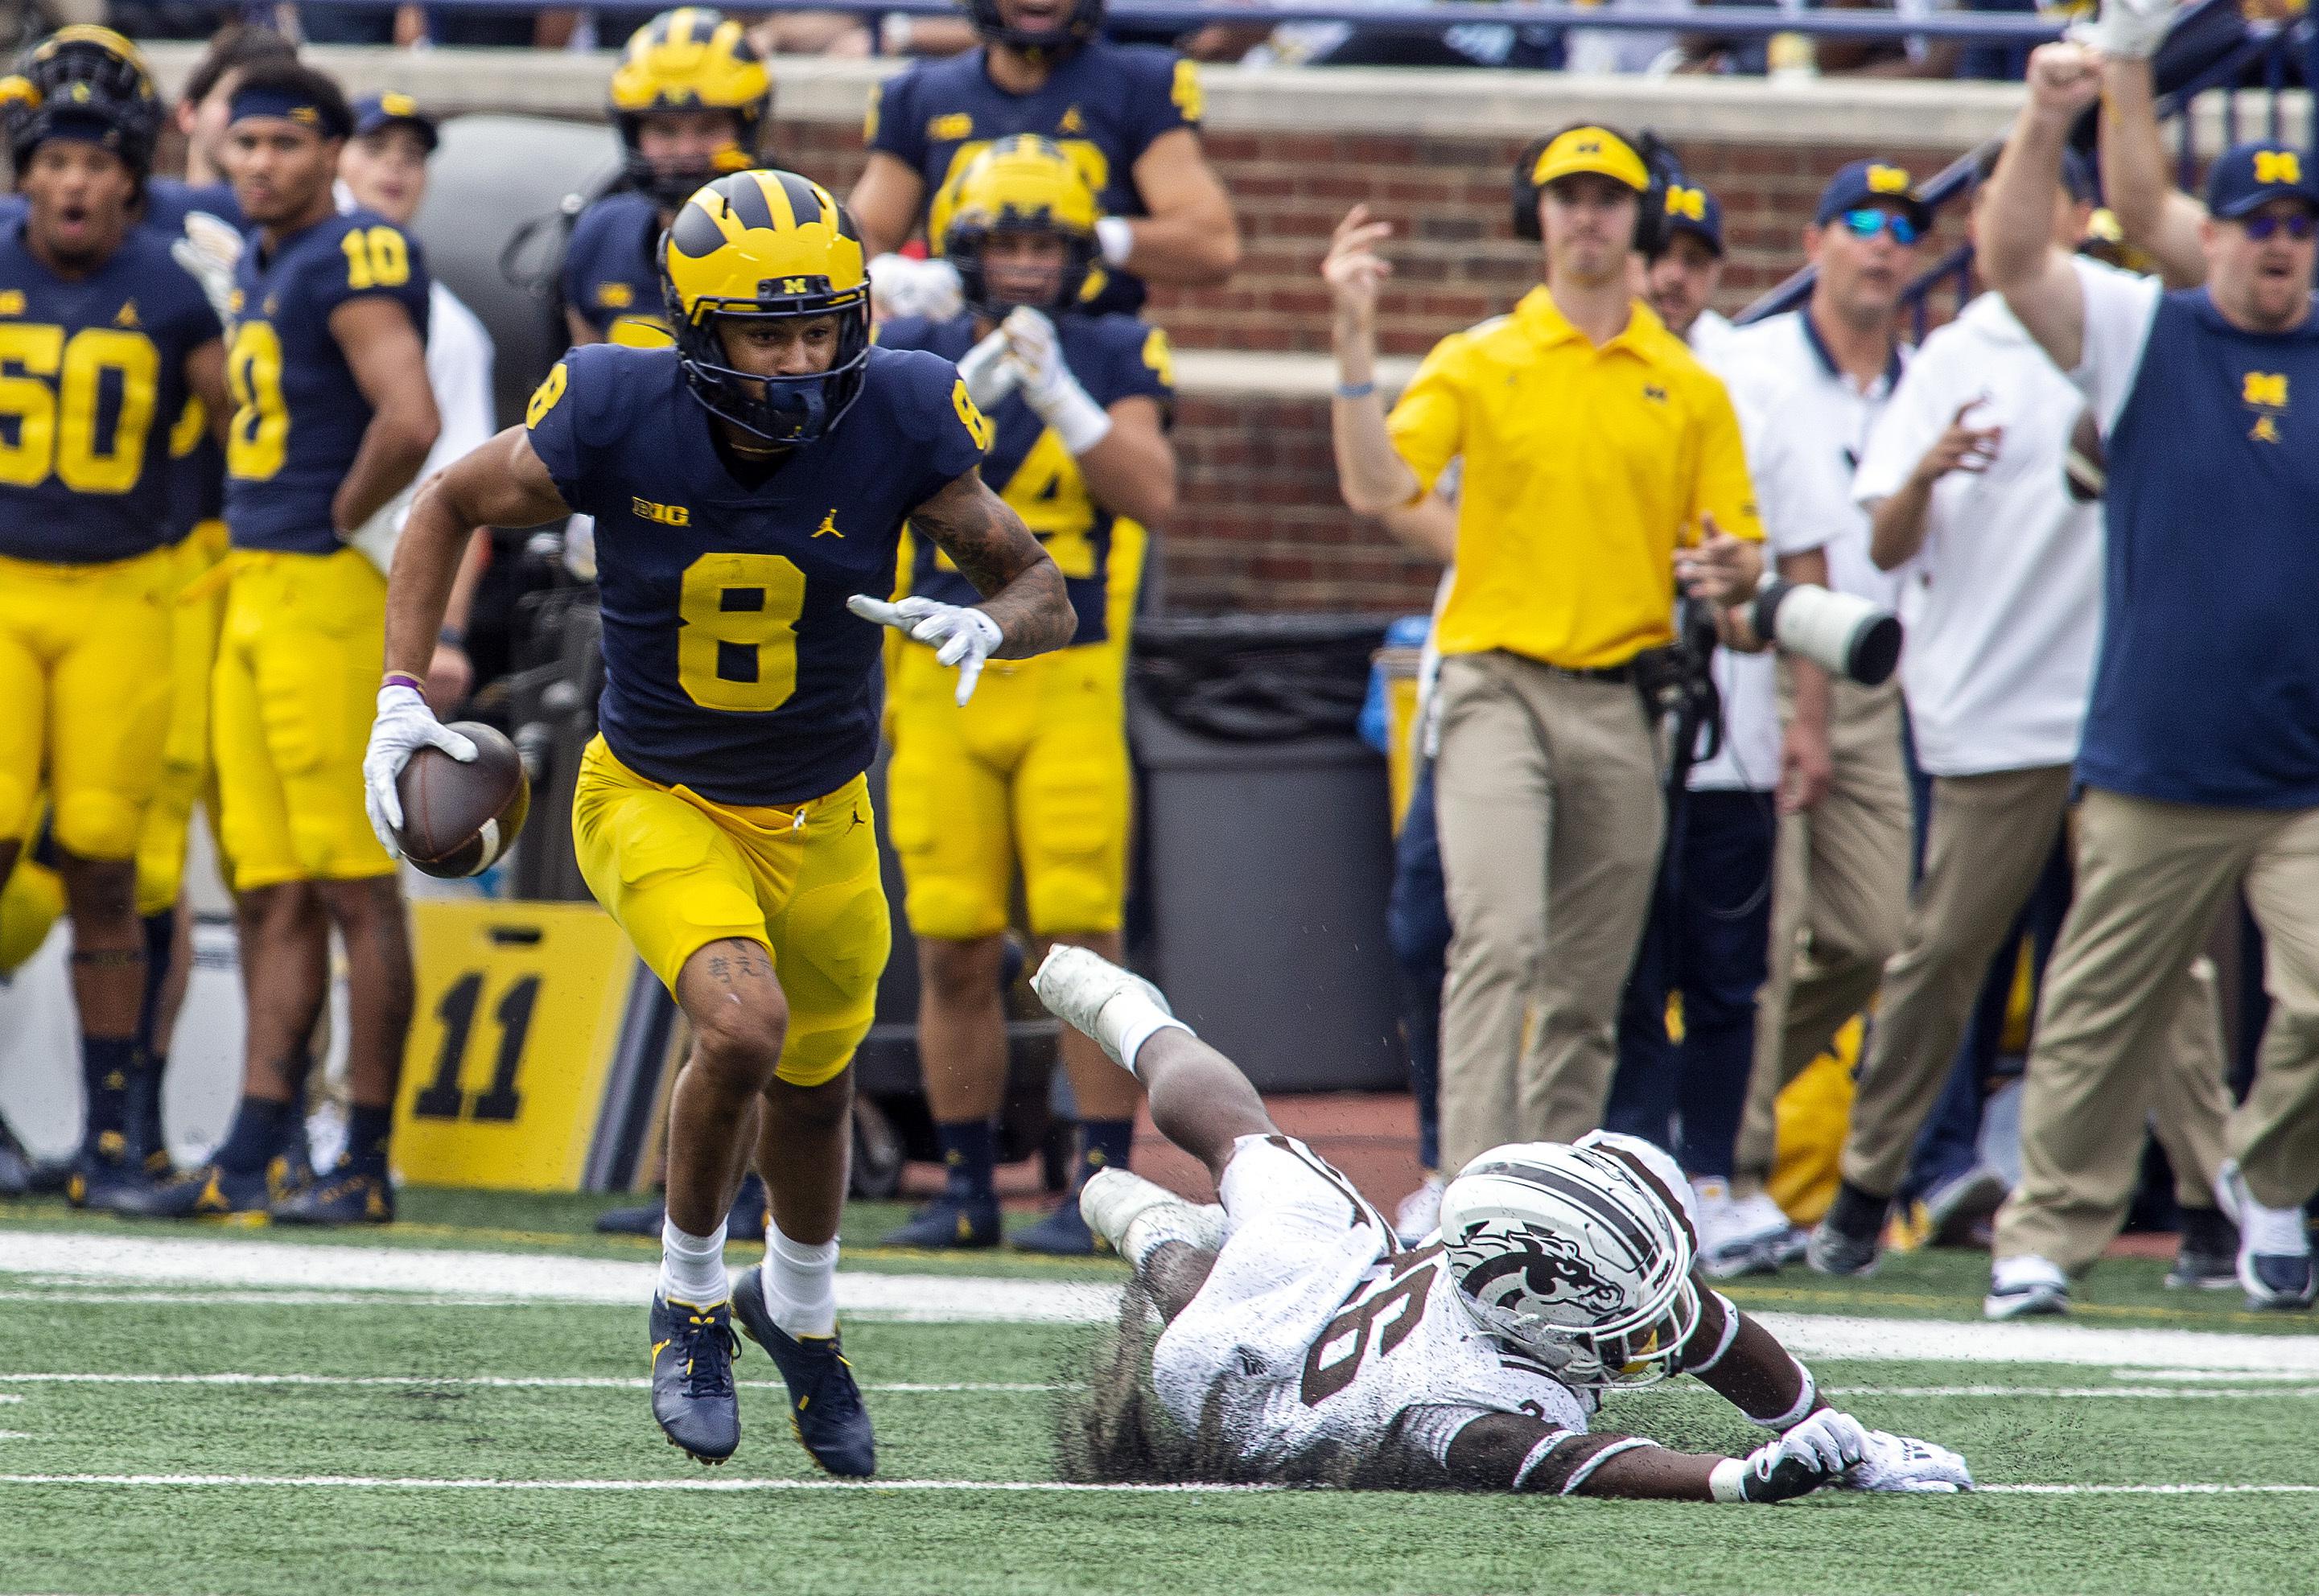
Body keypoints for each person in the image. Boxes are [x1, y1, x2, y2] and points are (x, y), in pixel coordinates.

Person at [365, 170, 1076, 1468]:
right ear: (699, 333)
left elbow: (1040, 582)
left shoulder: (904, 409)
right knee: (742, 1024)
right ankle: (688, 1294)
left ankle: (800, 1312)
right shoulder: (617, 408)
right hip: (656, 793)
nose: (802, 359)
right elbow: (447, 500)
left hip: (827, 808)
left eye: (819, 327)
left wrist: (988, 620)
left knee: (814, 1084)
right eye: (766, 332)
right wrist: (402, 697)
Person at [1032, 944, 1974, 1499]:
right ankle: (1147, 1203)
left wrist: (1828, 1429)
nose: (1659, 1328)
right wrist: (1732, 1478)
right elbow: (1578, 1460)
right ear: (1527, 1309)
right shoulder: (1473, 1403)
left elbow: (1706, 1326)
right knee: (1205, 1296)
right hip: (1249, 1392)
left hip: (1341, 1291)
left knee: (1257, 1157)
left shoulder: (1525, 1268)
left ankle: (1142, 1108)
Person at [1811, 143, 2238, 1290]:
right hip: (1988, 715)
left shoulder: (2143, 329)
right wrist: (1927, 473)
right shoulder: (1954, 351)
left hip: (2121, 714)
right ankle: (1864, 1187)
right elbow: (1882, 548)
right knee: (1940, 955)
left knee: (2167, 975)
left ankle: (2210, 1208)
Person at [1325, 124, 1765, 1178]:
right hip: (1493, 685)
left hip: (1626, 697)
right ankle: (1467, 1193)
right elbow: (1378, 486)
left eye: (1606, 198)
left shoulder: (1689, 383)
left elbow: (1735, 553)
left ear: (1640, 219)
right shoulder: (1481, 357)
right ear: (1538, 216)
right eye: (1566, 196)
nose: (1586, 216)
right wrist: (1350, 341)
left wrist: (1736, 574)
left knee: (1589, 984)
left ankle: (1542, 1200)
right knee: (1499, 942)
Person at [1975, 39, 2319, 1315]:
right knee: (2092, 1019)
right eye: (2253, 223)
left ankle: (2270, 1182)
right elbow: (2013, 261)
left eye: (2298, 224)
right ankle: (2041, 1240)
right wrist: (2041, 114)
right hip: (2156, 762)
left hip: (2301, 775)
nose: (2277, 244)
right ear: (2203, 236)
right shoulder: (2141, 332)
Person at [128, 62, 439, 1228]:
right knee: (270, 888)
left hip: (318, 589)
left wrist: (333, 516)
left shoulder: (355, 254)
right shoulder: (262, 257)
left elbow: (411, 421)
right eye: (244, 144)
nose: (260, 165)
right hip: (255, 587)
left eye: (286, 145)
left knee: (357, 888)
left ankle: (360, 1153)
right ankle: (257, 1143)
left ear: (332, 152)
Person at [875, 136, 1178, 1254]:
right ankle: (964, 1188)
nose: (1023, 263)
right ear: (963, 246)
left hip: (1069, 672)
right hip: (939, 671)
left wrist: (1060, 391)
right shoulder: (908, 346)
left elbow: (1152, 493)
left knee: (1080, 938)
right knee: (951, 939)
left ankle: (1101, 1190)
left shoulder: (1115, 343)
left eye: (1042, 240)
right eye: (1001, 240)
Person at [0, 26, 229, 1207]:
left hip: (124, 593)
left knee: (104, 859)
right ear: (24, 169)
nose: (74, 181)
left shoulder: (173, 291)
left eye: (95, 163)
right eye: (54, 161)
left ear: (130, 174)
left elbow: (246, 430)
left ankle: (110, 1139)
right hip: (4, 586)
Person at [1718, 162, 1923, 1260]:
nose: (1882, 243)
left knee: (1867, 931)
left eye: (1902, 227)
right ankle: (1737, 1167)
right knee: (1761, 934)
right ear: (1814, 240)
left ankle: (1714, 1091)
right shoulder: (1747, 363)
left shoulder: (1925, 376)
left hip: (1877, 682)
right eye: (1859, 221)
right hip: (1767, 667)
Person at [1607, 179, 1790, 1277]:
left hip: (1729, 727)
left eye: (1695, 257)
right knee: (1623, 970)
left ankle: (1712, 1174)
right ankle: (1635, 1173)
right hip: (1619, 719)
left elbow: (1795, 548)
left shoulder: (1754, 378)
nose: (1673, 276)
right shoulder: (1576, 365)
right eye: (1657, 253)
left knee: (1722, 968)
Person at [846, 0, 1238, 321]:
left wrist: (1078, 242)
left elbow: (1213, 246)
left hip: (1090, 348)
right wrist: (888, 283)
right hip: (958, 346)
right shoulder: (919, 94)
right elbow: (865, 241)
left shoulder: (1141, 85)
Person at [336, 90, 497, 713]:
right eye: (375, 148)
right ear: (336, 158)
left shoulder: (449, 325)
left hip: (377, 578)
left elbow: (462, 489)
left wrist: (447, 633)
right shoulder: (271, 268)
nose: (395, 168)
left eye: (412, 156)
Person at [563, 7, 770, 349]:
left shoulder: (800, 230)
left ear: (747, 128)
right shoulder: (599, 234)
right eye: (664, 129)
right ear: (633, 132)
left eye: (709, 128)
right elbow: (585, 385)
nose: (687, 151)